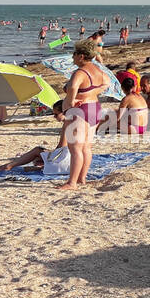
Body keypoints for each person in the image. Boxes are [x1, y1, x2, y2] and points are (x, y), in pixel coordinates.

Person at [59, 39, 107, 190]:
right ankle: (81, 179)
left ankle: (72, 182)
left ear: (81, 56)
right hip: (95, 107)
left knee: (76, 148)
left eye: (74, 54)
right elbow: (106, 83)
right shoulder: (98, 70)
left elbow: (73, 86)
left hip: (81, 110)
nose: (72, 57)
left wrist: (71, 102)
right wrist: (93, 92)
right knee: (86, 147)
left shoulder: (80, 72)